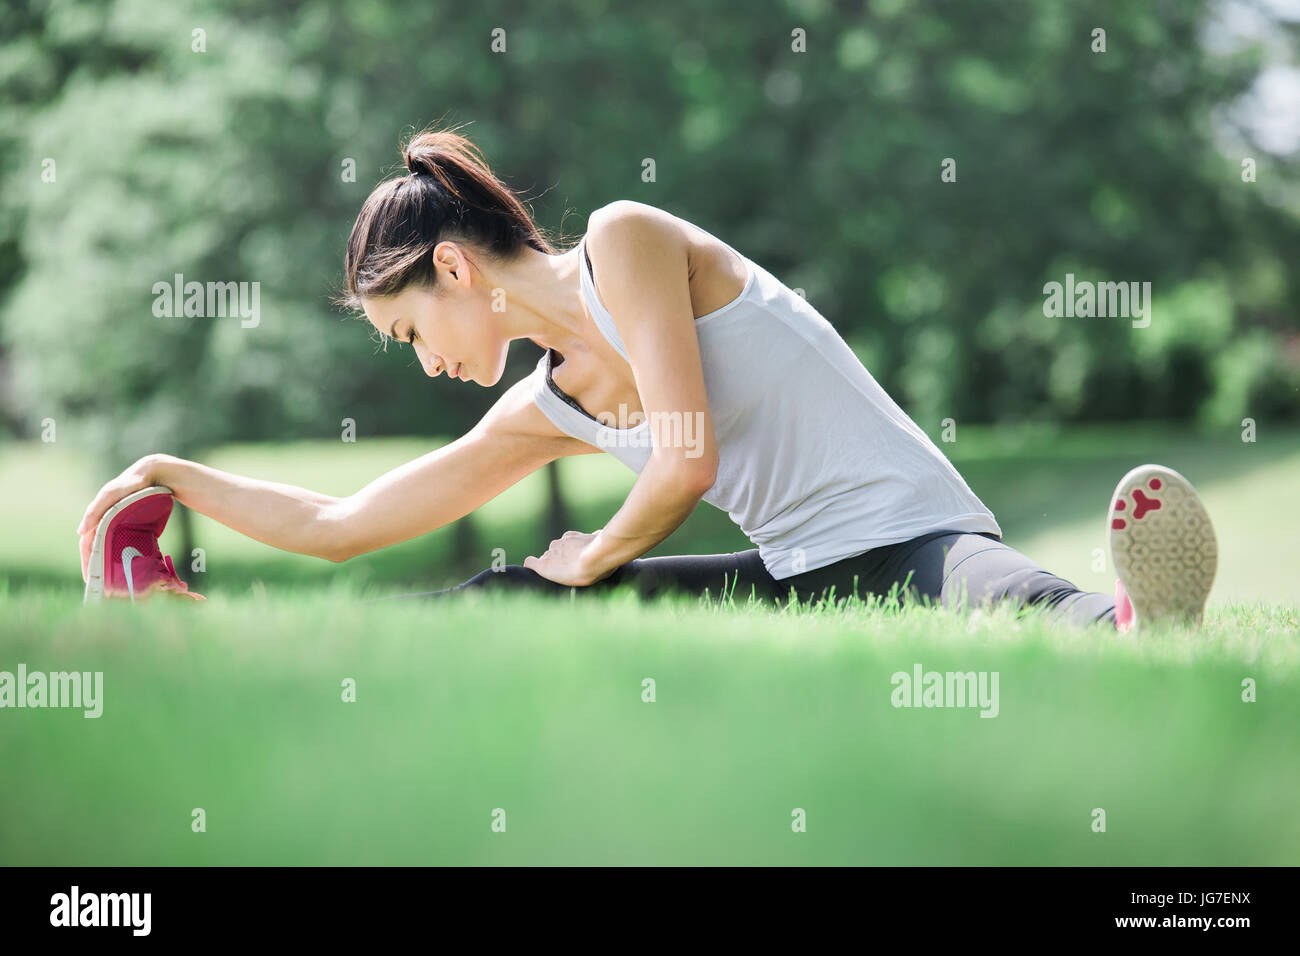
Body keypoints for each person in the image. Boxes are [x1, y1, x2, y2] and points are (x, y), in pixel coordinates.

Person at [78, 126, 1218, 630]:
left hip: (912, 534)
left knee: (1005, 601)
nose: (422, 360)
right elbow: (341, 520)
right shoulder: (547, 401)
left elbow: (686, 456)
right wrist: (176, 475)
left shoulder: (626, 243)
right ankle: (215, 631)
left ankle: (1132, 614)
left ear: (456, 268)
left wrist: (603, 547)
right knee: (506, 605)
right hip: (795, 575)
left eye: (409, 328)